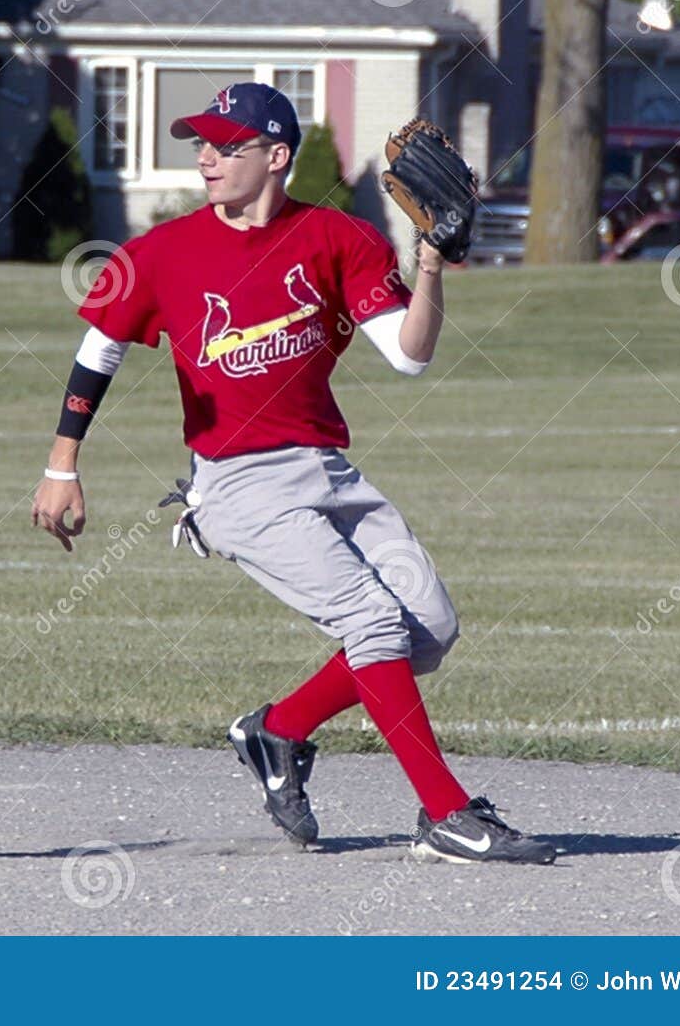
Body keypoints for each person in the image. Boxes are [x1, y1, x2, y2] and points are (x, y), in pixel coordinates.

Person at [30, 82, 555, 865]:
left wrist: (431, 264)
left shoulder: (337, 239)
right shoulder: (160, 252)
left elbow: (409, 357)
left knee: (430, 627)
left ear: (276, 157)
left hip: (324, 468)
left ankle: (276, 733)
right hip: (236, 482)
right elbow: (97, 351)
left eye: (226, 145)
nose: (206, 158)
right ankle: (446, 813)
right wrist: (60, 465)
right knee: (373, 624)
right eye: (201, 145)